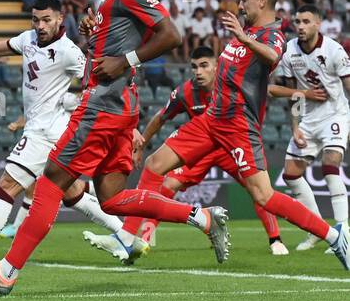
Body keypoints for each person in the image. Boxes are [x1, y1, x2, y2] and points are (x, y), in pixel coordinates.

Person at [0, 0, 228, 296]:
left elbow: (172, 35)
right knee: (114, 198)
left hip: (103, 103)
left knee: (52, 180)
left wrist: (125, 60)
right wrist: (96, 34)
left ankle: (6, 271)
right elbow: (122, 39)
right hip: (120, 104)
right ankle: (201, 217)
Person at [130, 0, 349, 274]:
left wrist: (245, 39)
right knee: (155, 165)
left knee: (264, 196)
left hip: (238, 126)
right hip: (210, 120)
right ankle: (129, 236)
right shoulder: (244, 31)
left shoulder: (272, 34)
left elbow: (273, 57)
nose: (240, 2)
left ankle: (333, 236)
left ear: (262, 0)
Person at [0, 0, 146, 263]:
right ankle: (127, 237)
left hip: (45, 132)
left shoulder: (68, 51)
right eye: (35, 19)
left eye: (46, 20)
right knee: (73, 193)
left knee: (7, 185)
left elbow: (104, 77)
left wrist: (129, 127)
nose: (40, 26)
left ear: (59, 20)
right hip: (46, 129)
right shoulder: (28, 39)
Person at [107, 46, 287, 255]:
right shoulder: (185, 92)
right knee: (167, 185)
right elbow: (160, 117)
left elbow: (268, 89)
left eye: (203, 66)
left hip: (230, 148)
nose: (198, 72)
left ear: (216, 67)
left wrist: (301, 94)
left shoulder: (232, 85)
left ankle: (275, 239)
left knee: (257, 189)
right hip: (201, 149)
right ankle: (145, 239)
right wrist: (141, 145)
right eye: (194, 67)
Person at [269, 4, 350, 251]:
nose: (300, 27)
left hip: (335, 115)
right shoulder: (290, 51)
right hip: (308, 120)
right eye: (297, 22)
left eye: (305, 21)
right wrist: (295, 127)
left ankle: (343, 231)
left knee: (329, 165)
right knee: (291, 175)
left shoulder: (334, 50)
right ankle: (316, 230)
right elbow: (291, 93)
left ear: (318, 23)